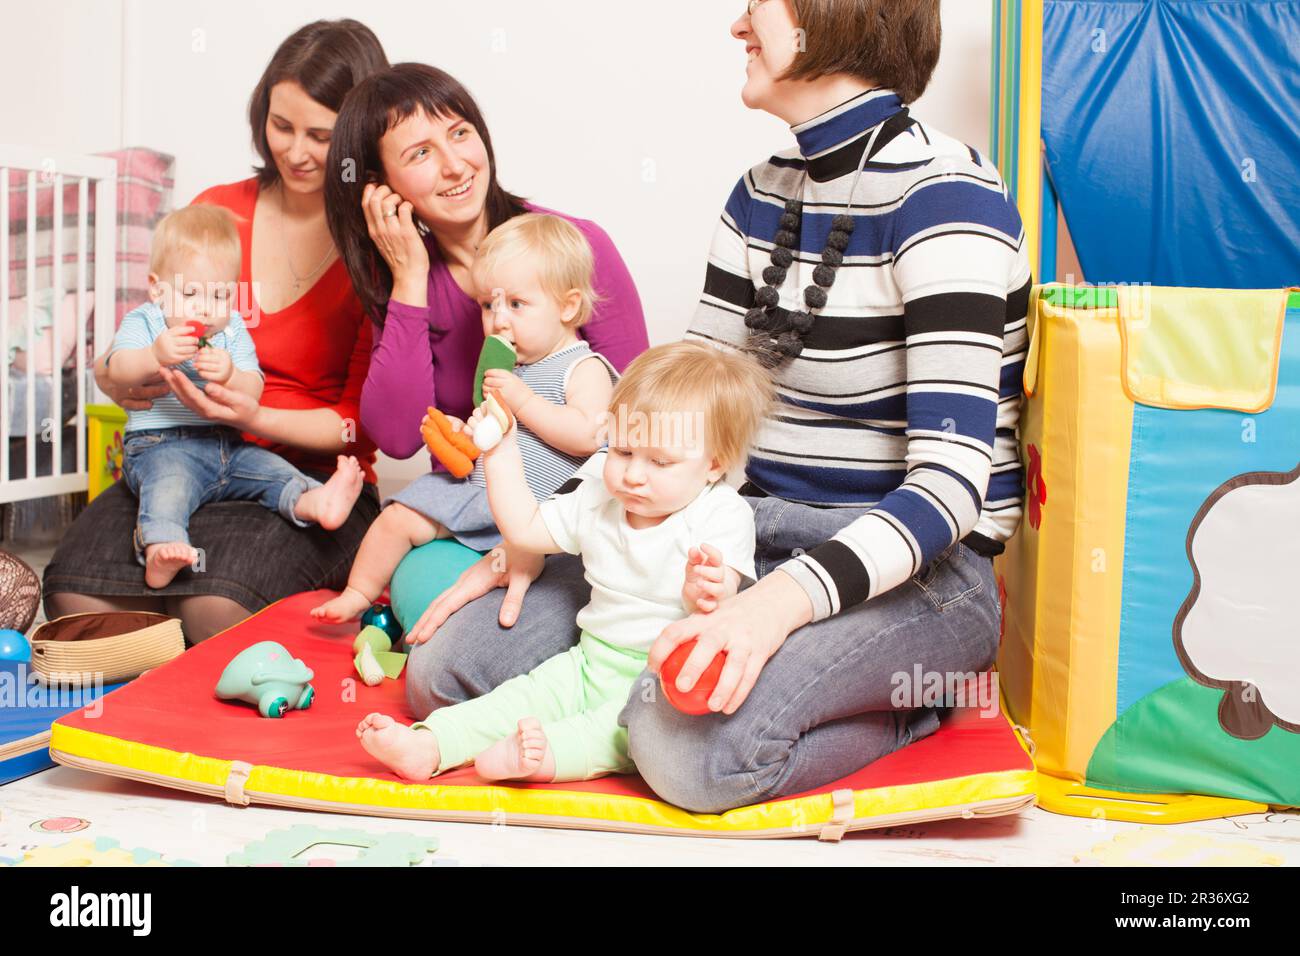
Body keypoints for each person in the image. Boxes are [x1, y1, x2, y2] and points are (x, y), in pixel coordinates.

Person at [402, 0, 1031, 814]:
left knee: (683, 748)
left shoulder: (949, 198)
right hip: (731, 537)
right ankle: (653, 712)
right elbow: (674, 416)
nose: (738, 26)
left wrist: (769, 611)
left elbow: (949, 489)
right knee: (446, 676)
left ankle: (907, 704)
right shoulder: (760, 193)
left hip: (915, 571)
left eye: (757, 6)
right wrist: (535, 539)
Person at [42, 19, 389, 642]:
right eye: (281, 126)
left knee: (214, 611)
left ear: (358, 133)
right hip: (181, 449)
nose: (296, 152)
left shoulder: (374, 241)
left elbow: (362, 424)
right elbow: (145, 327)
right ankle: (174, 645)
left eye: (320, 135)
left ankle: (186, 643)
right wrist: (116, 375)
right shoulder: (216, 213)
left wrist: (253, 415)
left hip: (302, 475)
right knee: (73, 599)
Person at [357, 341, 771, 783]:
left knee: (613, 732)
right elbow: (525, 528)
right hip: (589, 662)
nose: (633, 475)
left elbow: (723, 604)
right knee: (519, 698)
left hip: (657, 680)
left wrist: (706, 589)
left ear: (713, 466)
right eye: (623, 452)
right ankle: (430, 746)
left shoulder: (722, 513)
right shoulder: (601, 494)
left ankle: (537, 760)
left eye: (660, 462)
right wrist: (500, 453)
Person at [324, 62, 649, 624]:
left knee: (507, 623)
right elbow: (397, 438)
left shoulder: (574, 247)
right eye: (420, 153)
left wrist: (543, 534)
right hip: (468, 512)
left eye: (460, 132)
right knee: (424, 604)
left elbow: (635, 420)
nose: (455, 165)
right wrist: (409, 279)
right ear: (381, 187)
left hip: (573, 510)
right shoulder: (405, 281)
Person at [310, 213, 616, 624]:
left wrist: (523, 401)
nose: (499, 320)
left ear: (568, 305)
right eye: (489, 305)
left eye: (516, 304)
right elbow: (491, 434)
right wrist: (463, 435)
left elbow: (587, 436)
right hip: (480, 500)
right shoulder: (509, 368)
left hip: (536, 514)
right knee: (399, 516)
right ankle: (358, 592)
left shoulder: (582, 368)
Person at [109, 206, 365, 588]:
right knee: (169, 486)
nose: (205, 308)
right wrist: (153, 356)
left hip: (226, 445)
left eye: (220, 295)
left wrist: (231, 374)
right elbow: (117, 370)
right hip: (161, 446)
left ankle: (313, 501)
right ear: (157, 289)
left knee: (270, 469)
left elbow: (253, 388)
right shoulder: (145, 322)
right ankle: (162, 547)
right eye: (190, 293)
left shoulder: (231, 331)